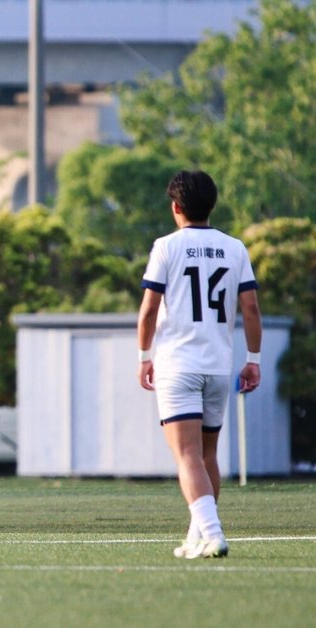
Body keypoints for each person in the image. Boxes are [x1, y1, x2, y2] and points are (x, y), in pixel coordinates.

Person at [137, 170, 262, 560]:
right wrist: (253, 359)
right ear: (211, 204)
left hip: (179, 364)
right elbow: (251, 308)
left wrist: (144, 356)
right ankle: (197, 537)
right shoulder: (235, 247)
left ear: (176, 208)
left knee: (187, 455)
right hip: (218, 365)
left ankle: (213, 533)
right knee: (208, 455)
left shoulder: (166, 246)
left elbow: (149, 309)